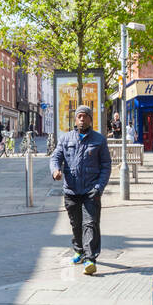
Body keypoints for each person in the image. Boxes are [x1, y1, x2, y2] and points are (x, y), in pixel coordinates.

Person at [50, 104, 111, 275]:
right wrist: (55, 170)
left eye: (85, 116)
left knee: (90, 224)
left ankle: (90, 259)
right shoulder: (66, 138)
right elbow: (56, 157)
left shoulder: (99, 140)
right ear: (75, 119)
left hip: (91, 191)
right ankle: (79, 250)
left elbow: (106, 165)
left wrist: (99, 187)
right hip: (71, 190)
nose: (82, 119)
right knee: (76, 224)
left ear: (91, 119)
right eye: (79, 116)